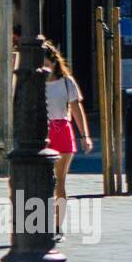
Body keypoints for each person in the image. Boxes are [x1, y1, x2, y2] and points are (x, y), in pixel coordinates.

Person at [44, 43, 91, 242]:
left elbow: (77, 109)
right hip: (41, 132)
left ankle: (57, 226)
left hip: (62, 130)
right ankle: (41, 223)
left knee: (59, 181)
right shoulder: (34, 82)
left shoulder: (66, 82)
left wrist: (85, 136)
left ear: (52, 60)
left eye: (43, 60)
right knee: (42, 182)